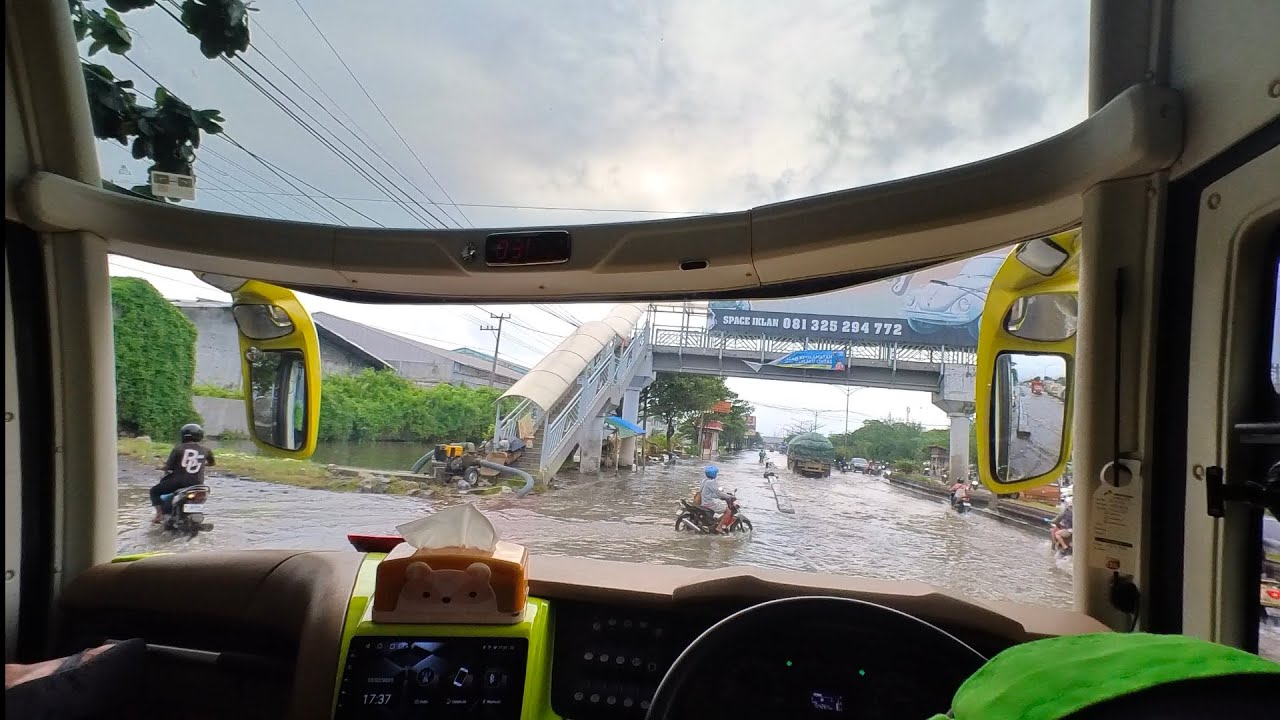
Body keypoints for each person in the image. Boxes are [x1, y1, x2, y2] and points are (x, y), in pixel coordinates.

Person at [150, 423, 215, 524]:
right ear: (200, 436)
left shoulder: (178, 449)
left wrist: (161, 467)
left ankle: (159, 515)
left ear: (183, 435)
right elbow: (212, 463)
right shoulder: (206, 450)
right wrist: (201, 464)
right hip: (197, 483)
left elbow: (169, 467)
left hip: (178, 482)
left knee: (154, 491)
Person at [697, 465, 733, 533]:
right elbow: (718, 493)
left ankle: (716, 524)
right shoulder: (711, 482)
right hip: (708, 503)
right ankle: (719, 527)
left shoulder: (705, 480)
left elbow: (710, 493)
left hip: (703, 501)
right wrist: (729, 496)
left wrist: (719, 497)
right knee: (728, 511)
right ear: (714, 474)